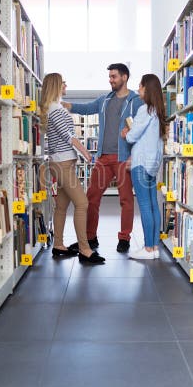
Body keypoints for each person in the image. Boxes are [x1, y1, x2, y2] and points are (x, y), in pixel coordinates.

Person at [62, 63, 143, 253]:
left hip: (124, 157)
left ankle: (124, 238)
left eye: (114, 76)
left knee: (126, 200)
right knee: (91, 197)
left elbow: (142, 127)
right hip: (103, 158)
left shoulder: (136, 101)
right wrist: (67, 105)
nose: (111, 80)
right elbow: (86, 108)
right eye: (110, 77)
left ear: (124, 77)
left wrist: (135, 154)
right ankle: (90, 238)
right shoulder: (105, 100)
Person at [39, 73, 105, 264]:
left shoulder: (54, 108)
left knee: (61, 206)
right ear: (56, 86)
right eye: (63, 82)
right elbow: (68, 135)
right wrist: (85, 151)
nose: (66, 84)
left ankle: (58, 246)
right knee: (82, 204)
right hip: (63, 164)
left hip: (58, 162)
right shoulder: (56, 110)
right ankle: (85, 249)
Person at [121, 74, 166, 260]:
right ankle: (154, 246)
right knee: (154, 204)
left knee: (145, 206)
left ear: (146, 88)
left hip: (140, 163)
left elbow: (133, 136)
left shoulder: (144, 110)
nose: (138, 89)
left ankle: (147, 249)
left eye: (140, 86)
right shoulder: (159, 113)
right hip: (153, 164)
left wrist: (126, 133)